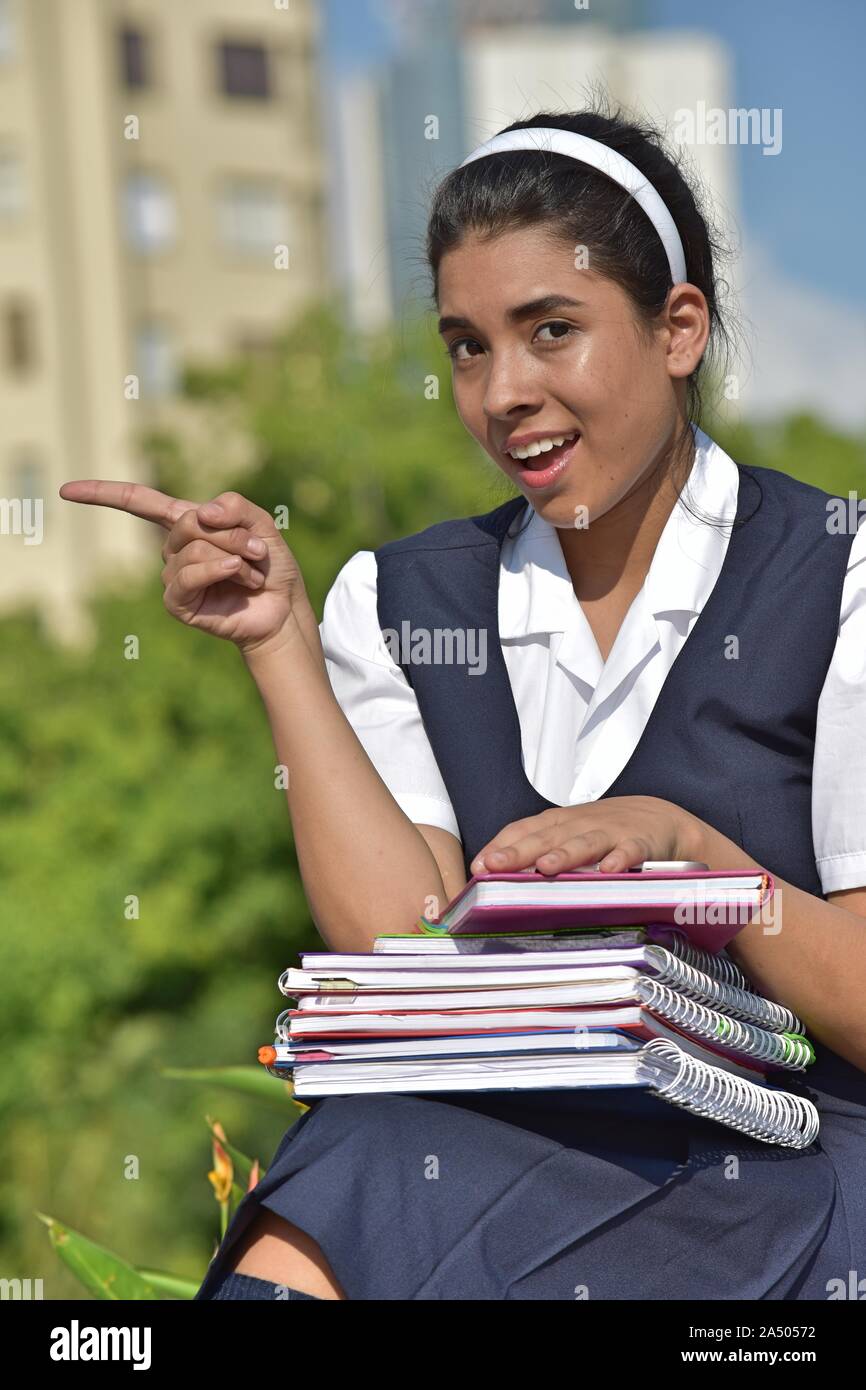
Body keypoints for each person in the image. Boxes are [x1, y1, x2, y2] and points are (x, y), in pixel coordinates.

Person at [60, 106, 866, 1302]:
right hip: (500, 1140)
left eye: (551, 332)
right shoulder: (397, 598)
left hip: (782, 1163)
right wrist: (277, 641)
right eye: (468, 347)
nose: (503, 392)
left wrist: (691, 856)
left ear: (677, 328)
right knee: (360, 1157)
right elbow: (400, 943)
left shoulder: (835, 570)